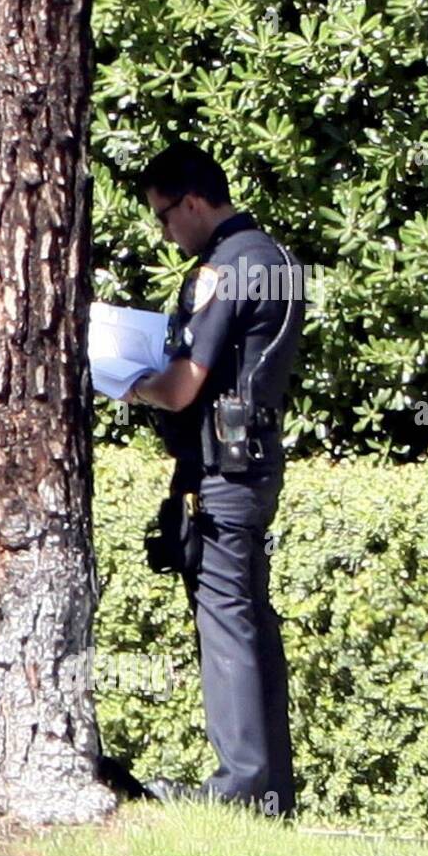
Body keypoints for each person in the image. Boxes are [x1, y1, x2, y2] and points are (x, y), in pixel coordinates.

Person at [126, 141, 305, 818]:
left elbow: (181, 386)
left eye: (165, 216)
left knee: (225, 622)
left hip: (223, 468)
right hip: (256, 461)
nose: (166, 232)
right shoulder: (280, 259)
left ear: (194, 202)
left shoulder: (225, 269)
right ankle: (270, 790)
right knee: (251, 620)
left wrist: (130, 385)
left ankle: (238, 789)